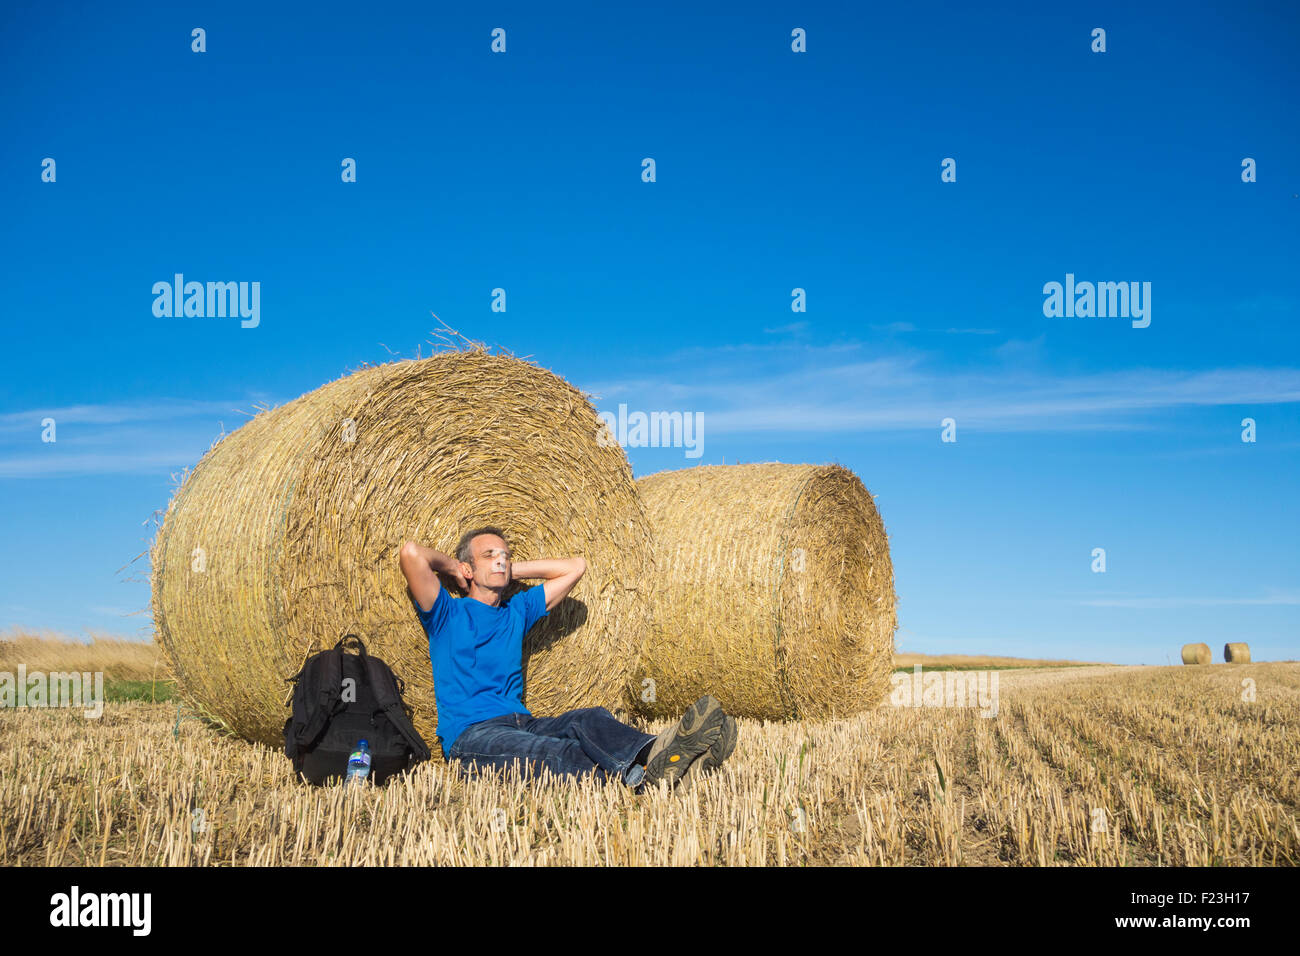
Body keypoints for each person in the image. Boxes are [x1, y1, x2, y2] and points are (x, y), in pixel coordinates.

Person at [399, 526, 737, 790]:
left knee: (588, 720)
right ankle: (647, 778)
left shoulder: (516, 611)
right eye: (489, 555)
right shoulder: (446, 614)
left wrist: (510, 570)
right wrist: (454, 568)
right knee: (549, 755)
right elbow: (411, 553)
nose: (500, 559)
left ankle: (657, 751)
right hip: (472, 736)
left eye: (505, 554)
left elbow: (575, 567)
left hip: (523, 721)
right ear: (468, 567)